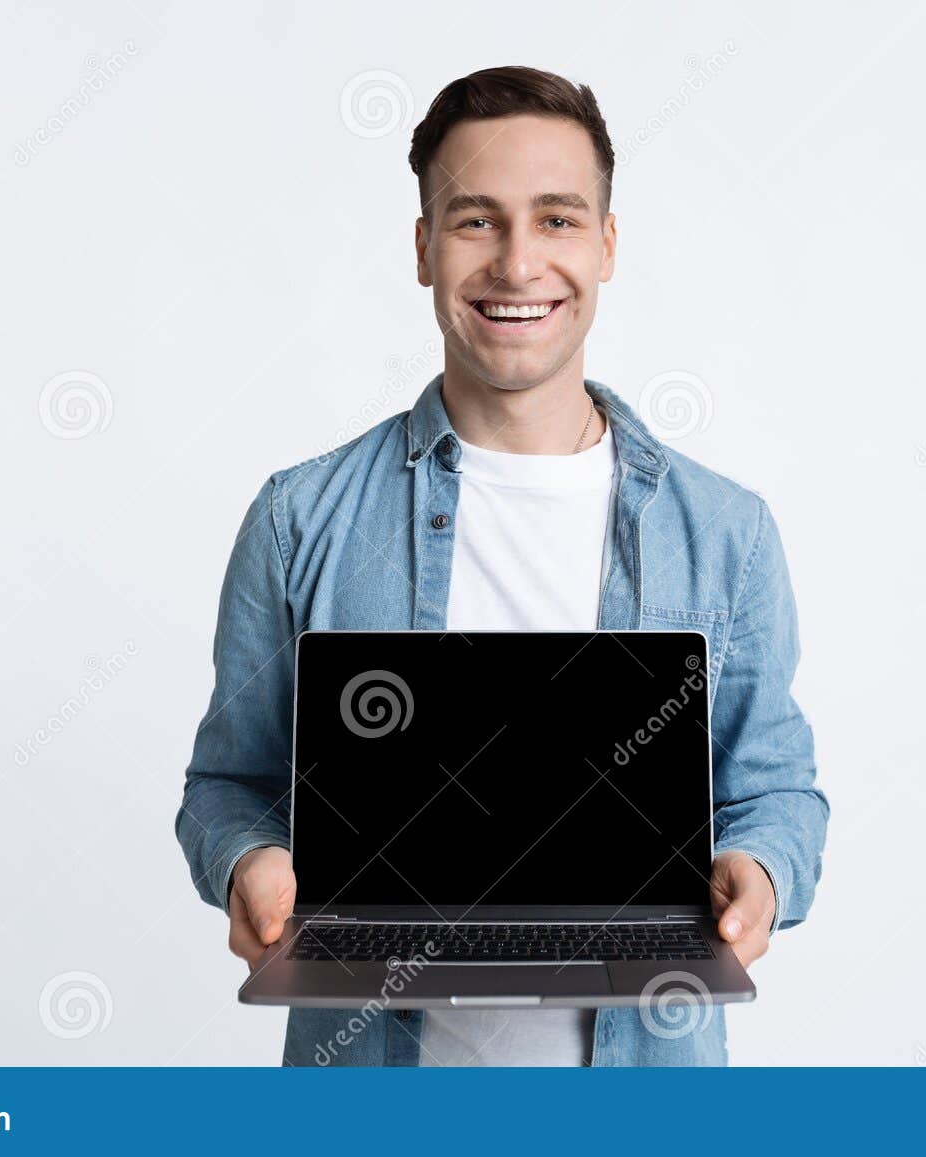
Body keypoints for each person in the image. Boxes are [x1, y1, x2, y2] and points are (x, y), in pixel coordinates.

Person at [175, 64, 829, 1066]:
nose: (518, 262)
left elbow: (773, 790)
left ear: (606, 245)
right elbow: (232, 780)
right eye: (475, 220)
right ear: (424, 247)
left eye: (557, 219)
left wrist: (759, 869)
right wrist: (250, 861)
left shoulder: (724, 529)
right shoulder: (298, 517)